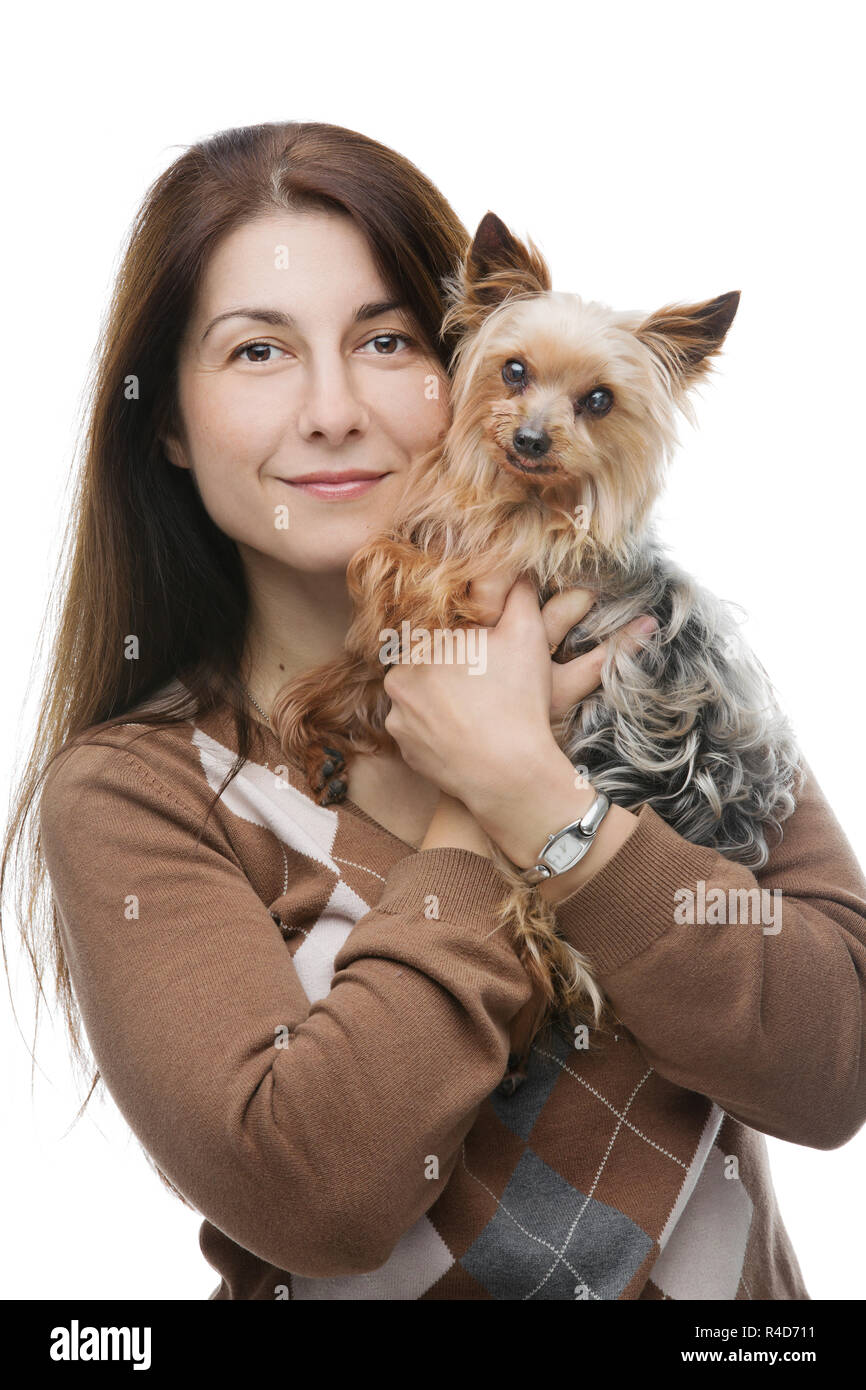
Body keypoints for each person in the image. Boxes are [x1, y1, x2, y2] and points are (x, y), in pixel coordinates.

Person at [3, 120, 865, 1301]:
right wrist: (481, 798)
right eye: (258, 353)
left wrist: (554, 802)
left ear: (450, 358)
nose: (331, 410)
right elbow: (319, 1192)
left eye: (387, 340)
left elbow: (834, 1068)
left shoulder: (661, 671)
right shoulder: (138, 791)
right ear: (165, 418)